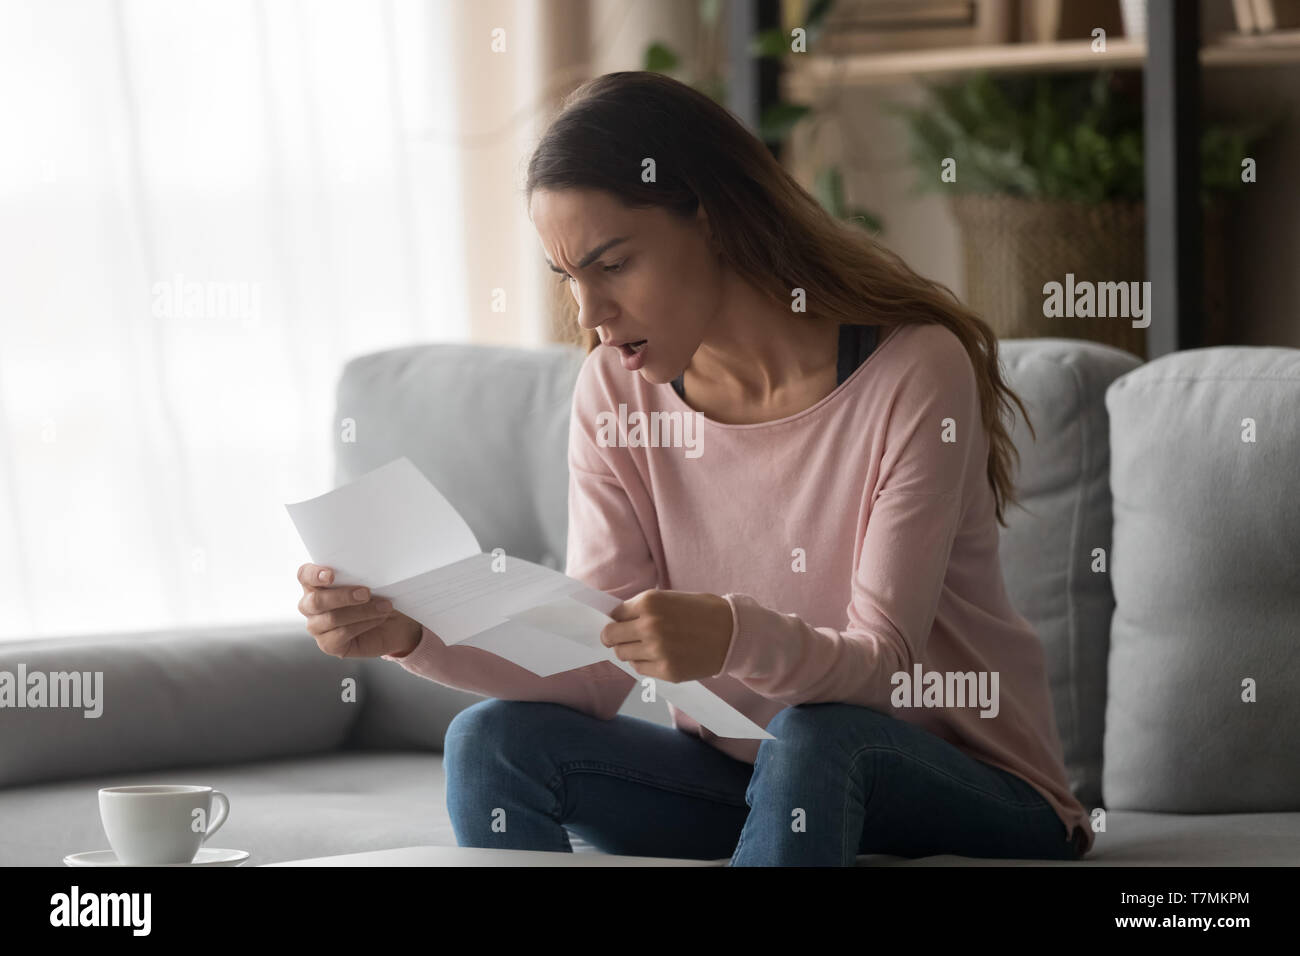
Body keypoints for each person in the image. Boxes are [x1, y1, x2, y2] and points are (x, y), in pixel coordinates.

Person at [297, 71, 1092, 867]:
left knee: (817, 737)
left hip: (974, 790)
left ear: (709, 219)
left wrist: (731, 635)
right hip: (760, 779)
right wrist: (412, 633)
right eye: (569, 278)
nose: (591, 314)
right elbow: (597, 664)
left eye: (612, 264)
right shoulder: (615, 389)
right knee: (493, 743)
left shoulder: (914, 370)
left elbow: (881, 669)